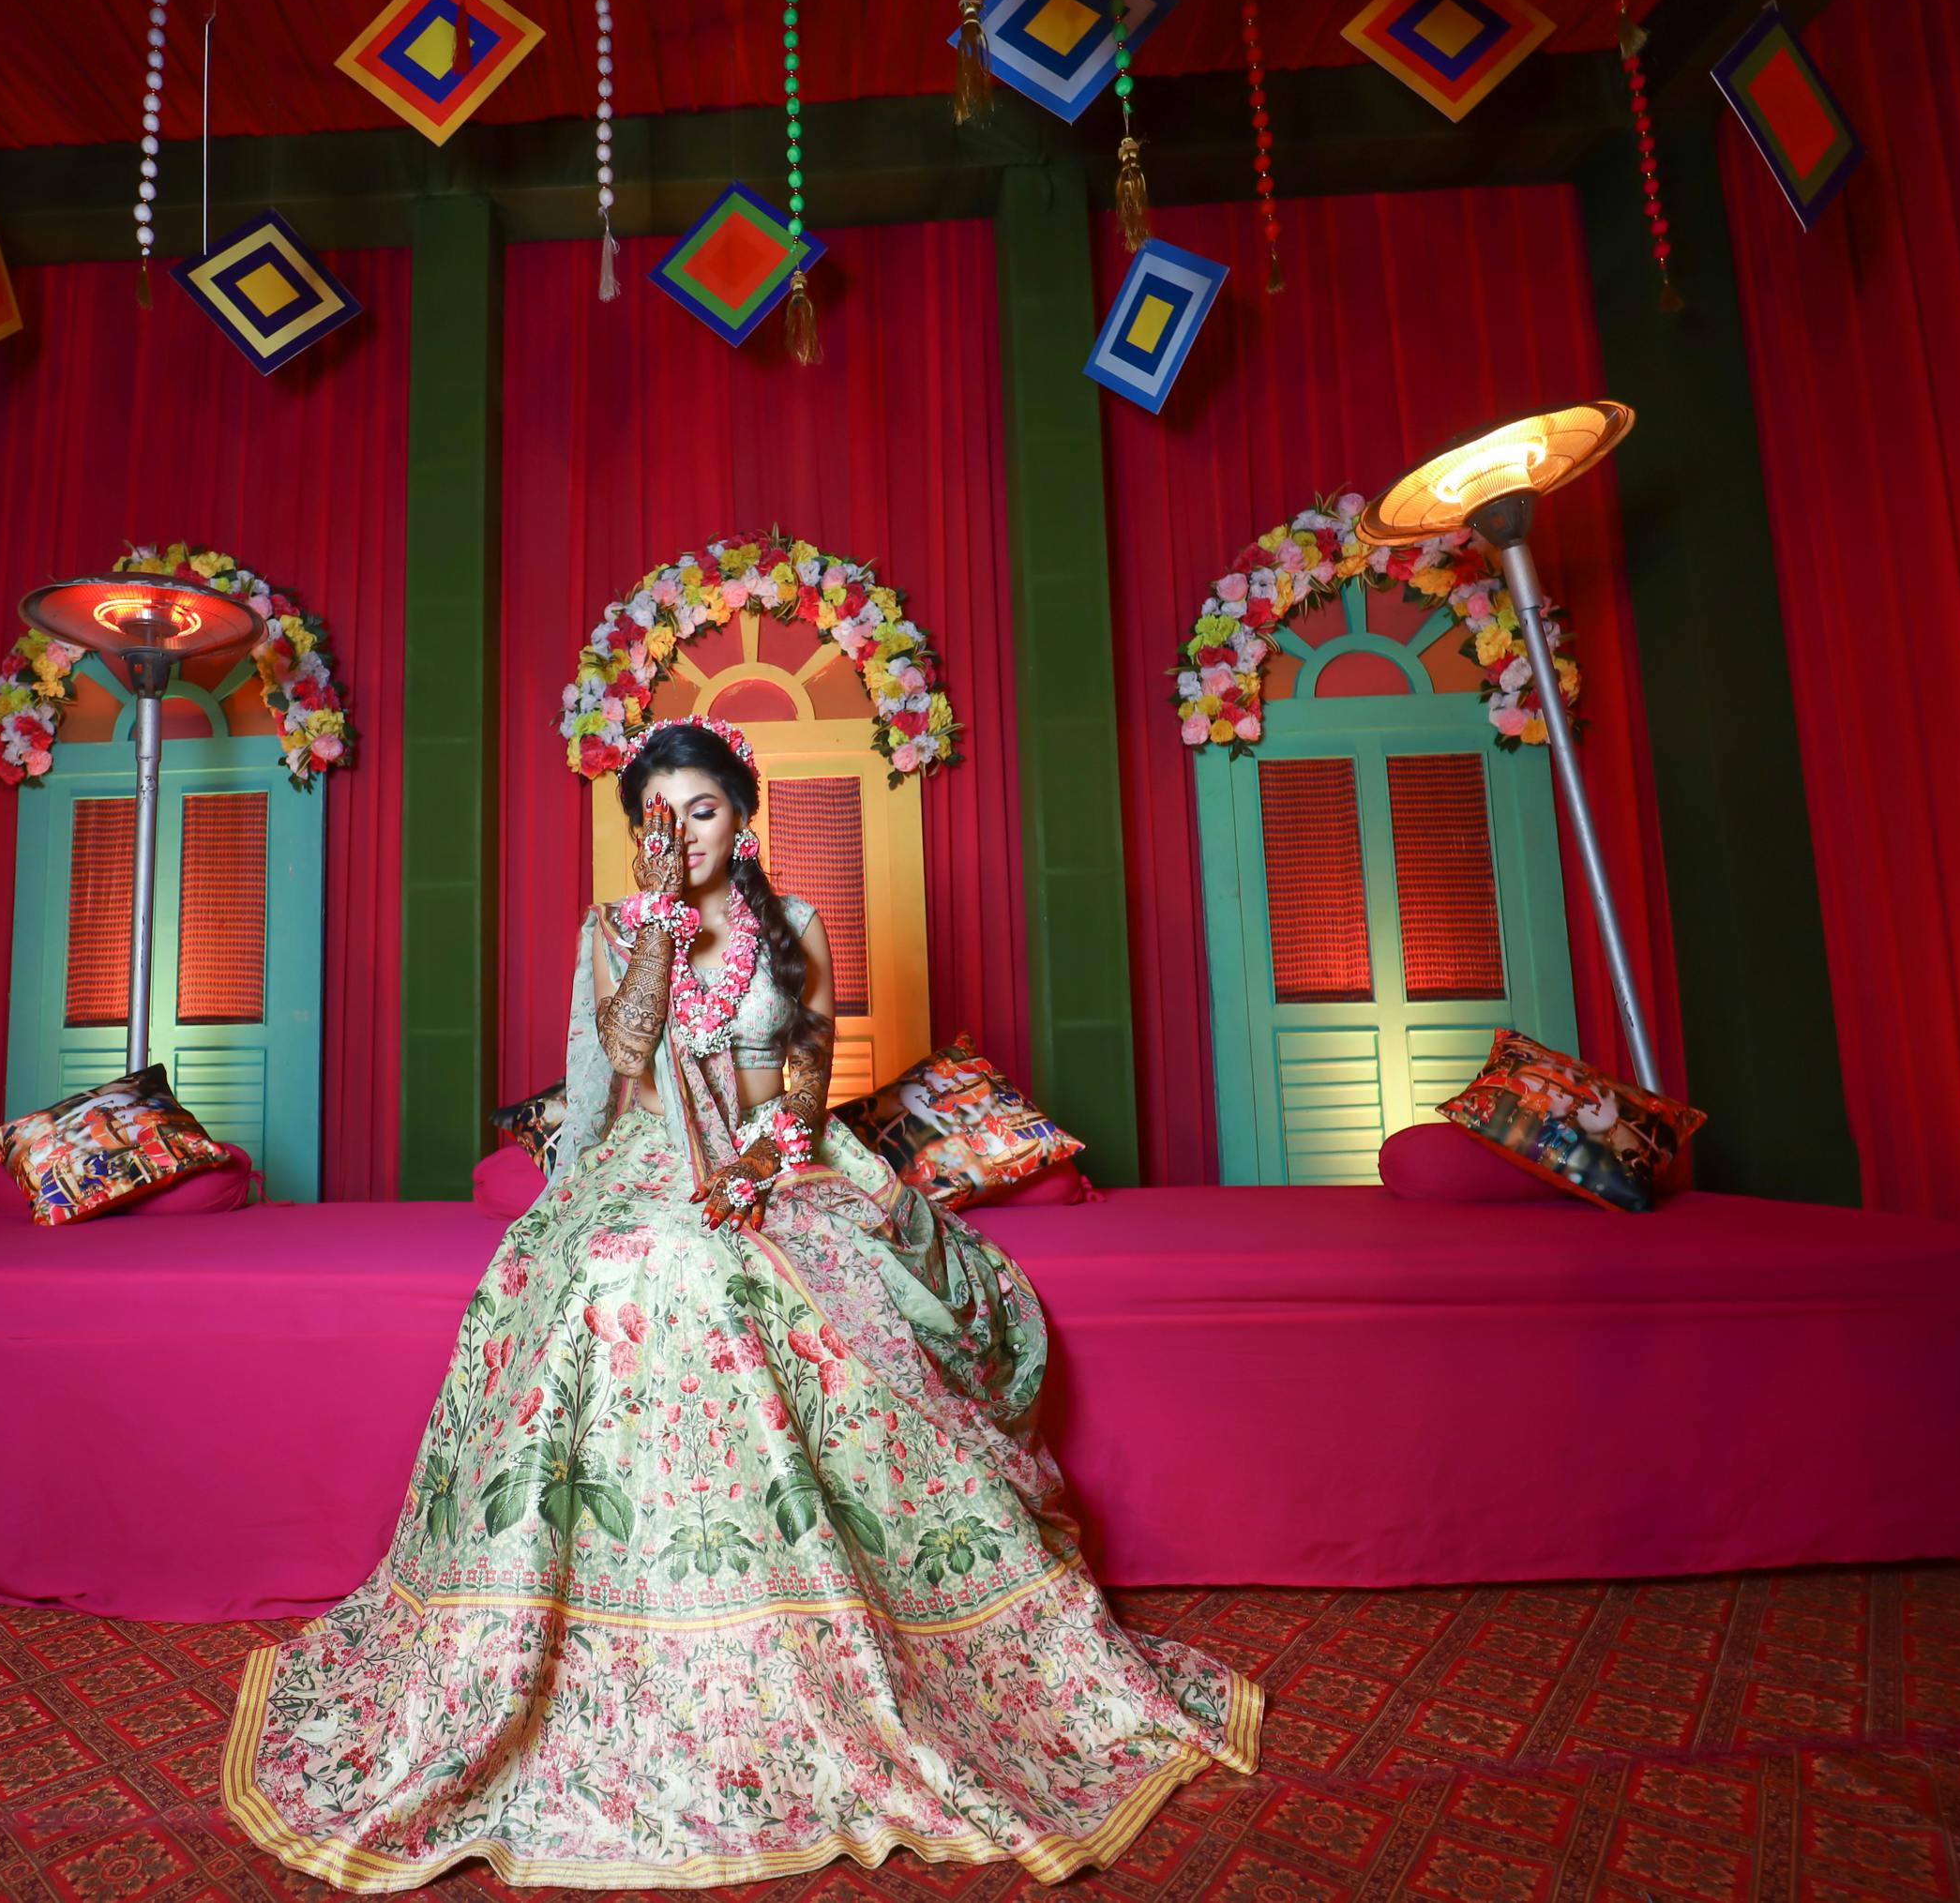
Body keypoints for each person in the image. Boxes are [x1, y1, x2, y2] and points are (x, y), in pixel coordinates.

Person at [219, 715, 1265, 1889]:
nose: (684, 834)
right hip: (642, 1153)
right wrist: (662, 926)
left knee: (739, 1262)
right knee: (623, 1263)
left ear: (744, 818)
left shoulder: (794, 925)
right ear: (635, 836)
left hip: (765, 1153)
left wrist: (759, 1170)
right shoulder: (614, 928)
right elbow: (622, 1061)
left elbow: (806, 1092)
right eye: (657, 818)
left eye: (703, 810)